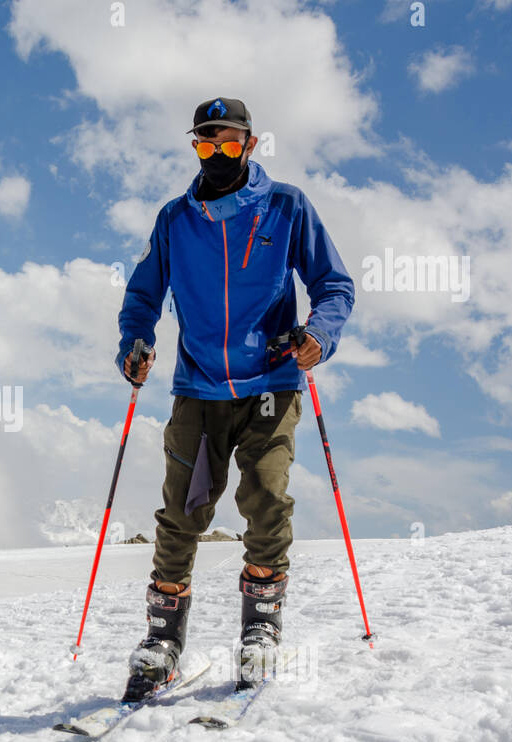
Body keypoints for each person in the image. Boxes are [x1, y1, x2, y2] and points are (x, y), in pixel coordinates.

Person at [115, 97, 355, 702]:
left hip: (272, 382)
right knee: (183, 513)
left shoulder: (286, 206)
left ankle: (260, 630)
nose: (217, 153)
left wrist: (319, 335)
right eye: (205, 143)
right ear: (194, 146)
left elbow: (333, 283)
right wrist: (136, 340)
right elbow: (143, 295)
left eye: (228, 143)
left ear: (251, 144)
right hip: (199, 387)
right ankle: (162, 642)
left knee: (266, 497)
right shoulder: (175, 219)